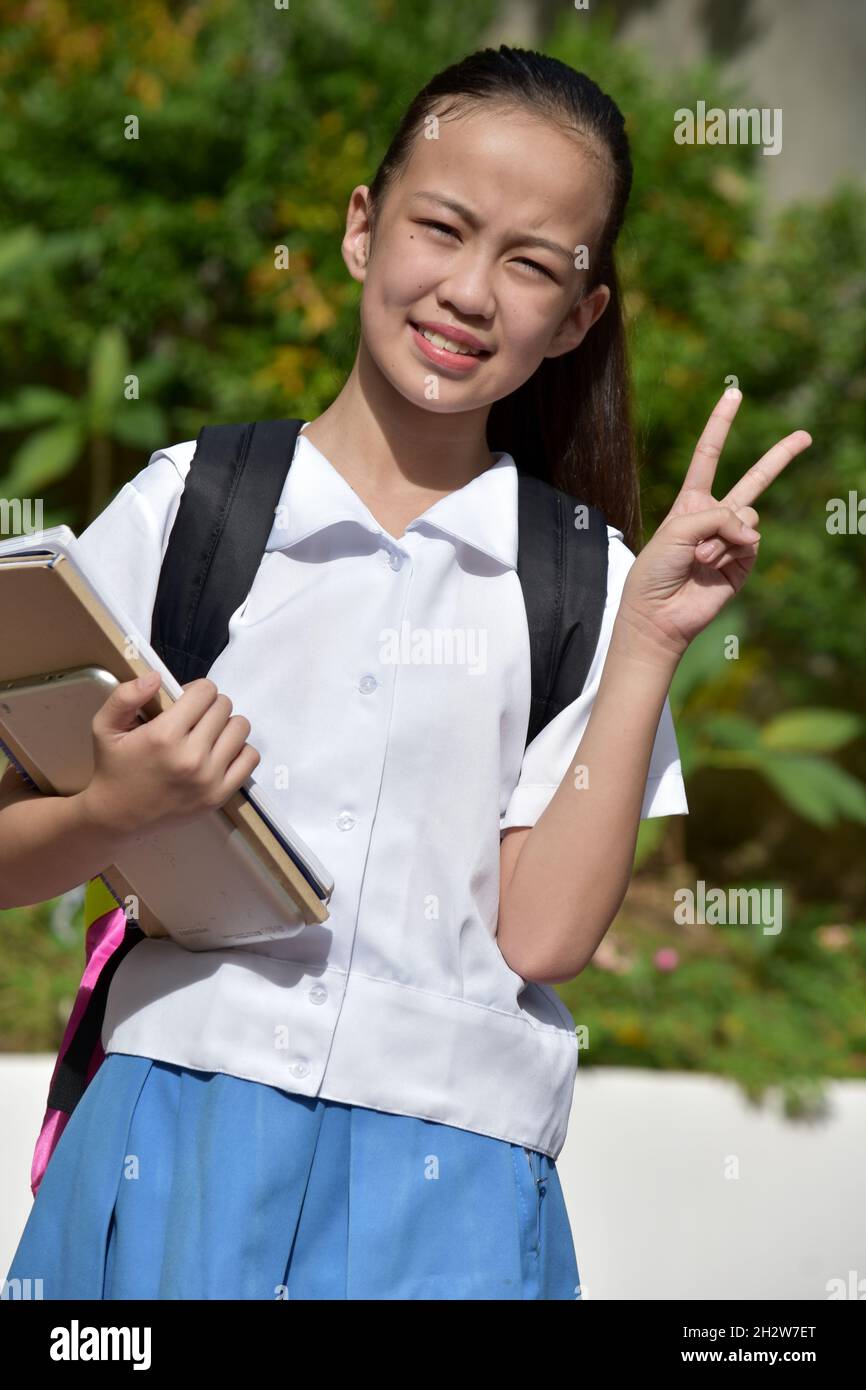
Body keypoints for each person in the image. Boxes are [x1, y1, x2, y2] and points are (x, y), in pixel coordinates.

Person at [1, 44, 809, 1301]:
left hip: (456, 1187)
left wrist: (649, 637)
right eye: (443, 227)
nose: (472, 292)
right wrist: (114, 809)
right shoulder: (187, 509)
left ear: (579, 316)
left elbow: (541, 934)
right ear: (362, 229)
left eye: (534, 263)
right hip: (175, 1141)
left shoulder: (591, 585)